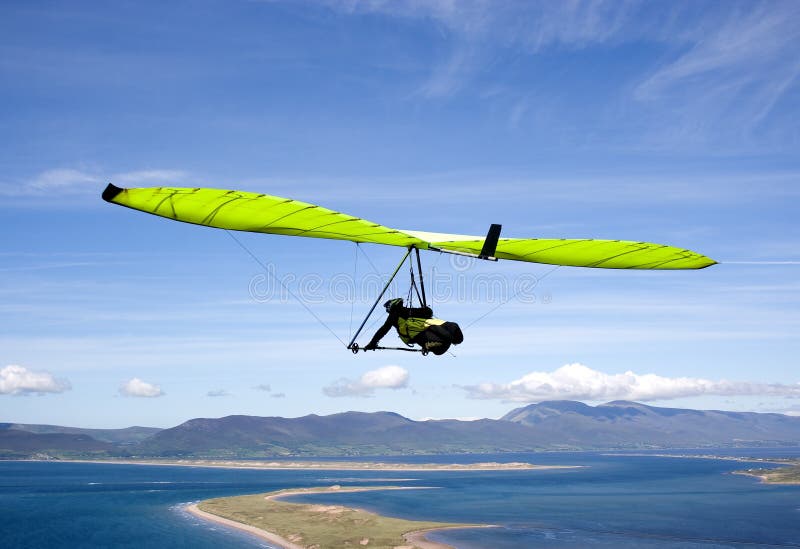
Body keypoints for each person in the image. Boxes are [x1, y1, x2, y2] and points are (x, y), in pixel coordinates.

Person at [364, 298, 464, 355]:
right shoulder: (397, 315)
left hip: (432, 331)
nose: (387, 310)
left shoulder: (399, 313)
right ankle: (438, 343)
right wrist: (372, 343)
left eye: (388, 308)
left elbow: (383, 330)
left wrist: (372, 343)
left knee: (453, 331)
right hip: (422, 335)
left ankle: (444, 341)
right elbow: (383, 330)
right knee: (451, 331)